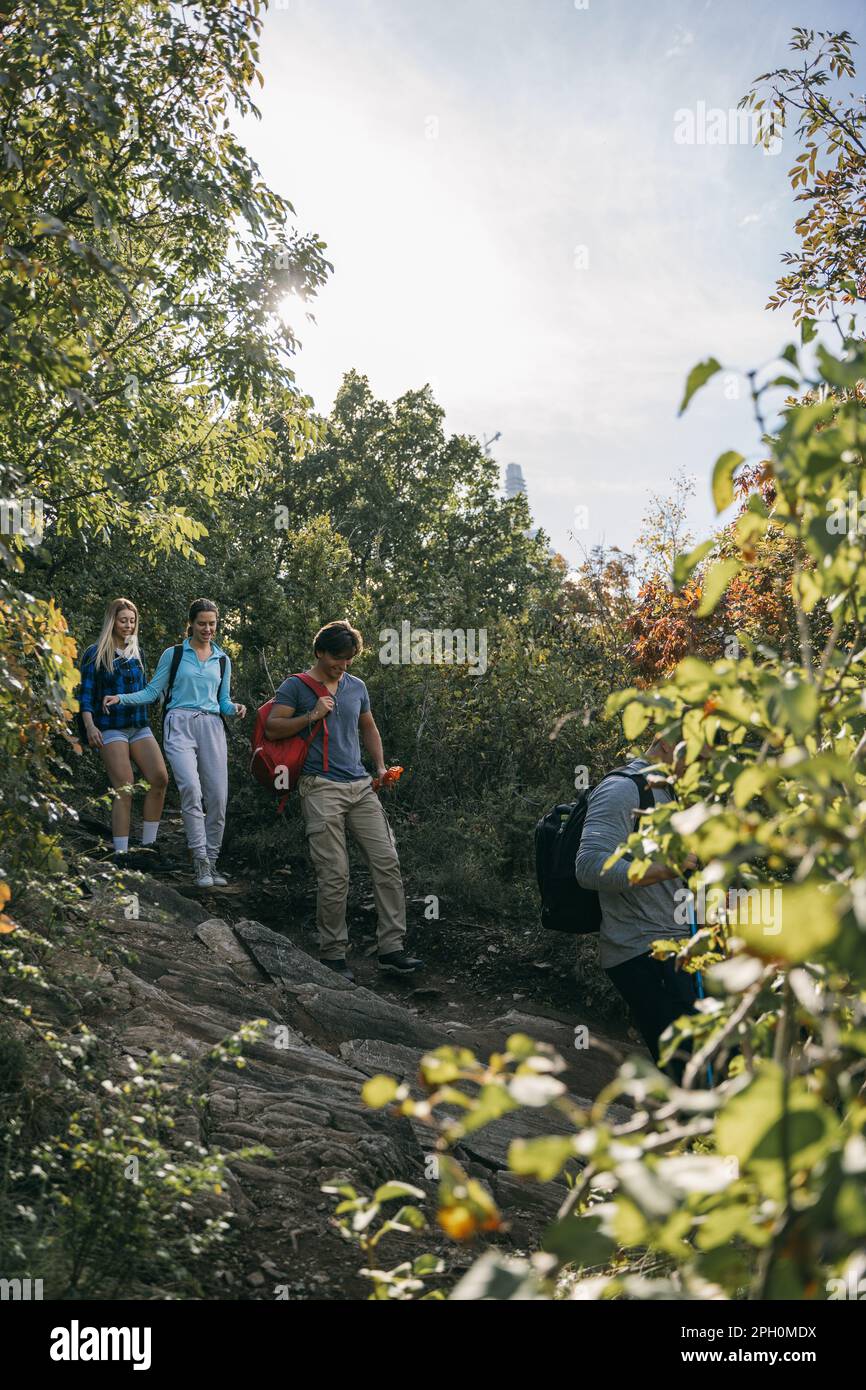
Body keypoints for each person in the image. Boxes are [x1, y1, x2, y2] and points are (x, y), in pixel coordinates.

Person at [265, 620, 422, 981]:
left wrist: (380, 768)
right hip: (320, 787)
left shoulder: (356, 686)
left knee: (387, 862)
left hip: (361, 786)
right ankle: (333, 954)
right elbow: (273, 727)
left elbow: (368, 726)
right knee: (335, 874)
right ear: (320, 652)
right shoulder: (296, 686)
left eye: (349, 658)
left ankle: (391, 949)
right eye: (338, 657)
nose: (343, 664)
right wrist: (311, 715)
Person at [575, 728, 699, 1074]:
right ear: (666, 742)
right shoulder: (622, 789)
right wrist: (666, 867)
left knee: (700, 1063)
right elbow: (588, 867)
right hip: (640, 952)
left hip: (673, 947)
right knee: (688, 1068)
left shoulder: (666, 790)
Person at [104, 599, 246, 888]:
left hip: (212, 727)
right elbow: (152, 691)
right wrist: (122, 698)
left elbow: (223, 701)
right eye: (202, 623)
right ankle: (200, 863)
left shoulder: (222, 659)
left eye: (212, 623)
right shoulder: (175, 654)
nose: (207, 629)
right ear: (191, 623)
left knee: (218, 797)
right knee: (191, 789)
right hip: (179, 724)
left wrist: (236, 708)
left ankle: (213, 860)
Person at [78, 597, 169, 861]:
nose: (128, 625)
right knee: (125, 785)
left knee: (160, 778)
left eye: (132, 620)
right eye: (123, 620)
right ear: (112, 621)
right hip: (110, 728)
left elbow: (147, 691)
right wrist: (90, 725)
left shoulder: (136, 653)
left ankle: (147, 847)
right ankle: (121, 853)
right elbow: (85, 695)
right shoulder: (95, 653)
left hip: (139, 726)